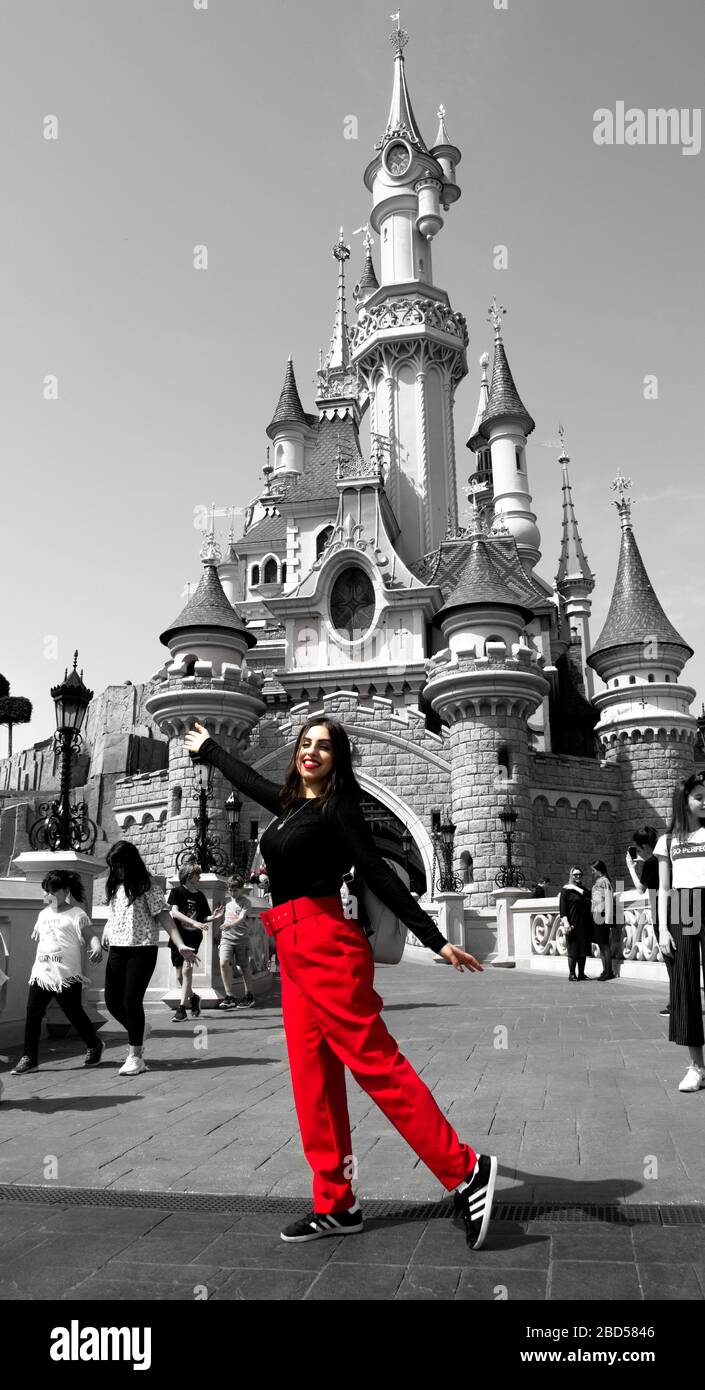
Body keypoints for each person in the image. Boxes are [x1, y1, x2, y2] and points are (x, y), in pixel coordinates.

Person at [184, 717, 497, 1251]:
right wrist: (211, 748)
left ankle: (467, 1171)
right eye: (305, 743)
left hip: (328, 943)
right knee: (314, 1082)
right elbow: (249, 783)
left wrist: (435, 938)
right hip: (292, 945)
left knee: (375, 1063)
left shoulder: (338, 808)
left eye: (324, 746)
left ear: (339, 758)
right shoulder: (291, 807)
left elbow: (375, 870)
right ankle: (336, 1203)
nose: (311, 752)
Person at [102, 841, 198, 1075]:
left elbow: (166, 919)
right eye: (114, 866)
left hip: (142, 949)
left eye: (121, 866)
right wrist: (106, 929)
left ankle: (136, 1056)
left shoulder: (148, 887)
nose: (117, 870)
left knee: (131, 1001)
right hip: (117, 948)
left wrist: (181, 944)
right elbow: (116, 914)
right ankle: (141, 1028)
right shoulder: (114, 886)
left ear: (131, 863)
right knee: (112, 1001)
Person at [10, 871, 104, 1076]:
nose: (49, 895)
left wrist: (96, 947)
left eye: (54, 890)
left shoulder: (77, 914)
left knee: (74, 1014)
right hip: (42, 974)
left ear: (65, 891)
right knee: (33, 1013)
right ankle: (29, 1058)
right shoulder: (43, 914)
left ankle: (94, 1044)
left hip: (66, 975)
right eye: (46, 891)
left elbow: (91, 936)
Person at [655, 772, 705, 1092]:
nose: (704, 802)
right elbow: (663, 889)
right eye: (699, 796)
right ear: (683, 800)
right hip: (683, 905)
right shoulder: (669, 841)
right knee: (685, 987)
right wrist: (662, 929)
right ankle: (697, 1066)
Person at [167, 861, 224, 1021]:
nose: (199, 877)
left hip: (193, 938)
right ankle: (193, 997)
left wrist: (214, 917)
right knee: (179, 975)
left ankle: (182, 1009)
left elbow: (203, 917)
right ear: (189, 876)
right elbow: (174, 913)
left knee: (187, 970)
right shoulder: (176, 892)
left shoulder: (200, 896)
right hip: (178, 937)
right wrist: (193, 922)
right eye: (197, 874)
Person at [625, 827, 666, 1011]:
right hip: (681, 909)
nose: (638, 853)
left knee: (671, 961)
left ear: (645, 846)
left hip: (661, 913)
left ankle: (677, 1004)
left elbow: (641, 889)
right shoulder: (665, 858)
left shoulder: (651, 862)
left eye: (639, 849)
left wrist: (631, 868)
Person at [219, 874, 257, 1010]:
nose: (233, 893)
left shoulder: (246, 902)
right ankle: (229, 996)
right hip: (227, 938)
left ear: (241, 889)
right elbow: (223, 917)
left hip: (241, 939)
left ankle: (249, 995)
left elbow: (241, 917)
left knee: (244, 967)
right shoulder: (228, 903)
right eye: (230, 890)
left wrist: (231, 925)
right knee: (223, 962)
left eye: (235, 890)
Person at [558, 866, 594, 981]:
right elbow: (562, 909)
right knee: (573, 949)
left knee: (583, 949)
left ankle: (582, 974)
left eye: (580, 874)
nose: (578, 876)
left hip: (584, 923)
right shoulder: (565, 890)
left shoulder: (583, 889)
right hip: (572, 923)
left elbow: (590, 898)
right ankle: (572, 974)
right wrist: (566, 923)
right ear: (571, 876)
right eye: (575, 875)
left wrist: (575, 888)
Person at [590, 860, 615, 980]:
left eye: (594, 870)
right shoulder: (601, 881)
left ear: (599, 871)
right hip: (597, 915)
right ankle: (605, 970)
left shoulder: (604, 882)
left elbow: (608, 900)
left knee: (604, 945)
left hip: (602, 916)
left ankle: (608, 971)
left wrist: (608, 919)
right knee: (601, 945)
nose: (592, 873)